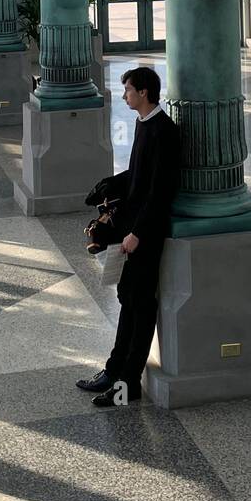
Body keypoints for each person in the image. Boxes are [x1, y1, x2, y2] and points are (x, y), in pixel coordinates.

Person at [77, 65, 180, 407]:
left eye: (128, 91)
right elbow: (138, 175)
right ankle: (114, 369)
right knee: (127, 296)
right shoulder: (144, 123)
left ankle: (127, 382)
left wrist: (137, 233)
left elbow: (159, 191)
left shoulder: (164, 131)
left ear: (144, 93)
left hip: (146, 234)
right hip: (134, 230)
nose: (124, 96)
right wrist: (110, 185)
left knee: (139, 302)